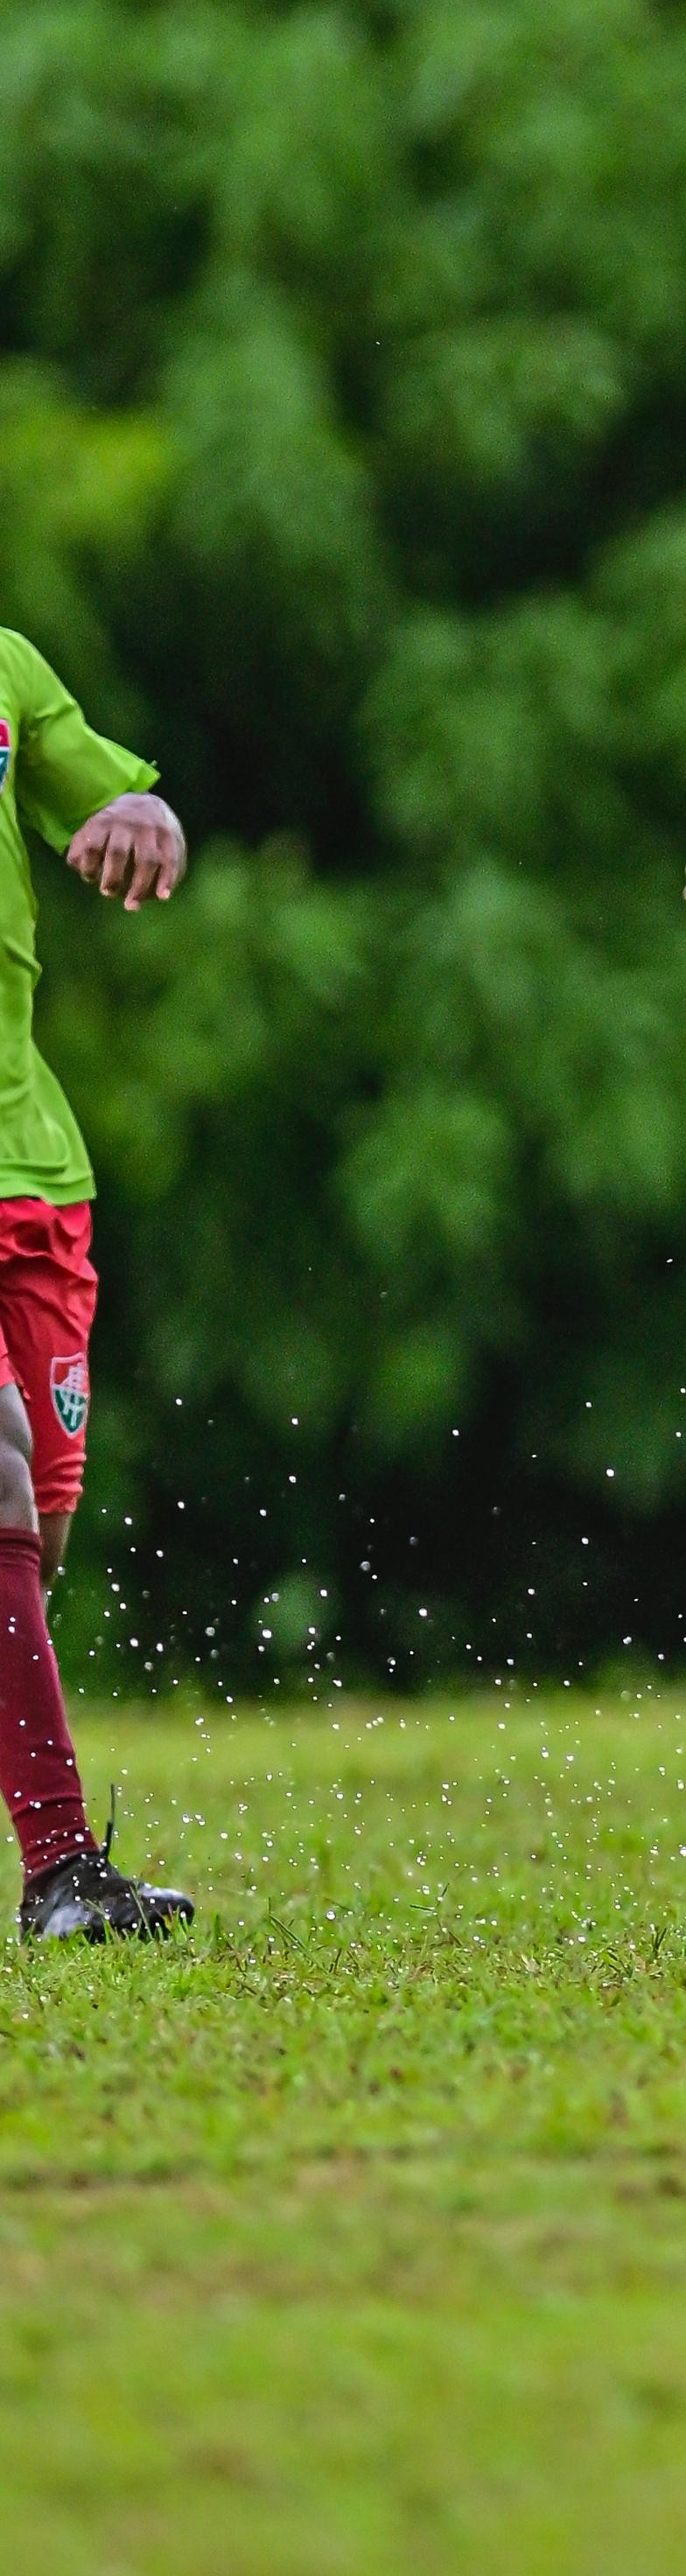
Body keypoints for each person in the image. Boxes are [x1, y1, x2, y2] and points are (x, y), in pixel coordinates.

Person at [0, 633, 195, 1940]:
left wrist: (141, 812)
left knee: (40, 1535)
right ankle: (62, 1871)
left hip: (31, 1165)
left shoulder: (8, 662)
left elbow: (104, 792)